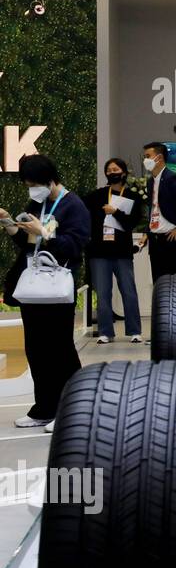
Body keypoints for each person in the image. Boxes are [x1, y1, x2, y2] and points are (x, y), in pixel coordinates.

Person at [1, 155, 90, 432]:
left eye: (34, 184)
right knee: (36, 350)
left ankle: (72, 410)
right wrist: (8, 223)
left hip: (56, 287)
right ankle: (44, 408)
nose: (31, 190)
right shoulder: (39, 202)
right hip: (34, 288)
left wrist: (46, 233)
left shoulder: (73, 205)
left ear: (50, 180)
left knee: (60, 350)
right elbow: (28, 242)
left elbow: (75, 246)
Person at [84, 158, 144, 345]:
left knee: (129, 291)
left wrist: (115, 211)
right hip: (99, 252)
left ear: (123, 172)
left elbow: (130, 224)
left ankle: (134, 331)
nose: (112, 172)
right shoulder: (96, 196)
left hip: (122, 251)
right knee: (103, 293)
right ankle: (105, 331)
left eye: (115, 169)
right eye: (109, 170)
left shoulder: (133, 197)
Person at [143, 141, 176, 280]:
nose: (145, 160)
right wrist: (147, 232)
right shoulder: (150, 181)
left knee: (173, 285)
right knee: (158, 284)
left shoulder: (170, 178)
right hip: (155, 240)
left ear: (159, 158)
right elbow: (153, 209)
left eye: (148, 156)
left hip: (170, 240)